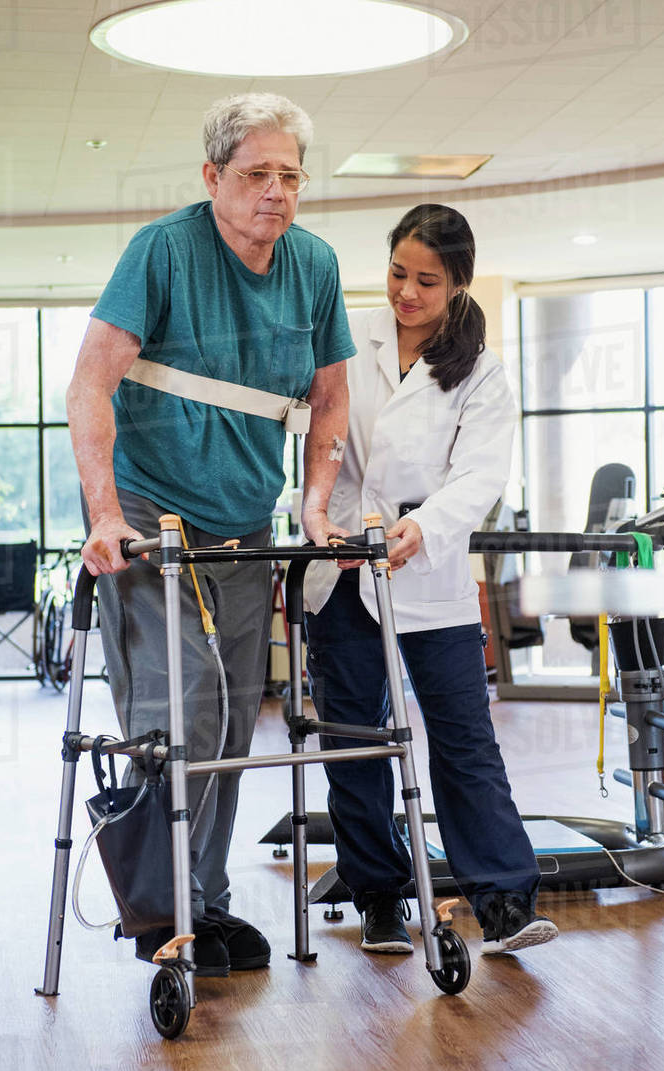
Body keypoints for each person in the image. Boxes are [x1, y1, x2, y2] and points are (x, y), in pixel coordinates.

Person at [66, 92, 356, 976]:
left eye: (290, 176)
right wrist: (105, 514)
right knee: (177, 712)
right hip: (150, 524)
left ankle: (209, 901)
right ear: (213, 177)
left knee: (232, 722)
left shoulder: (313, 264)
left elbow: (331, 396)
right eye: (257, 174)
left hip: (242, 529)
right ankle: (163, 914)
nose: (275, 191)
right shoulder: (163, 251)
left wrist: (314, 504)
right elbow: (89, 386)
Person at [303, 204, 557, 957]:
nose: (405, 293)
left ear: (458, 285)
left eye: (426, 281)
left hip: (430, 571)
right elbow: (321, 438)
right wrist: (323, 517)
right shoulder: (347, 339)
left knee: (462, 740)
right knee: (355, 741)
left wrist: (427, 527)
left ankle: (504, 903)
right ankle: (379, 898)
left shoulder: (481, 369)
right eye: (397, 274)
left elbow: (479, 475)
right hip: (345, 565)